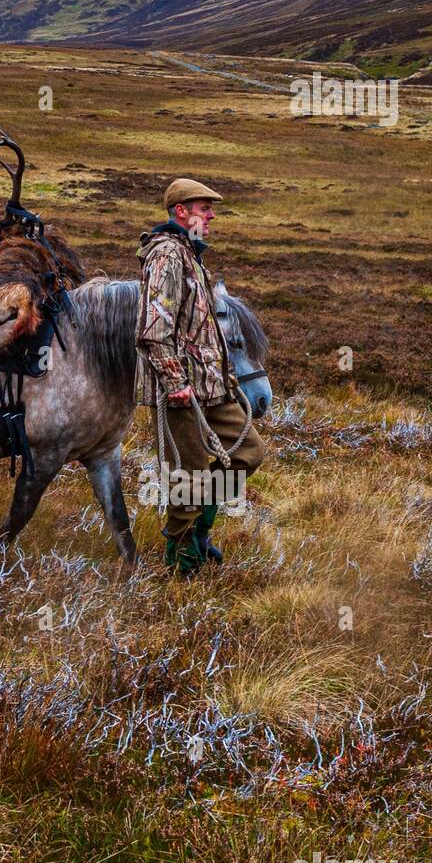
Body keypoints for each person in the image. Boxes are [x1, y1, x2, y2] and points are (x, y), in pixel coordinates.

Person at [135, 179, 265, 575]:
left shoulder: (191, 256)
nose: (211, 216)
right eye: (204, 208)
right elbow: (154, 328)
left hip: (213, 387)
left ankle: (201, 528)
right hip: (182, 392)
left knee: (249, 453)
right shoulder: (167, 256)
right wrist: (175, 384)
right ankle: (181, 554)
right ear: (180, 212)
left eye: (210, 209)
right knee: (186, 476)